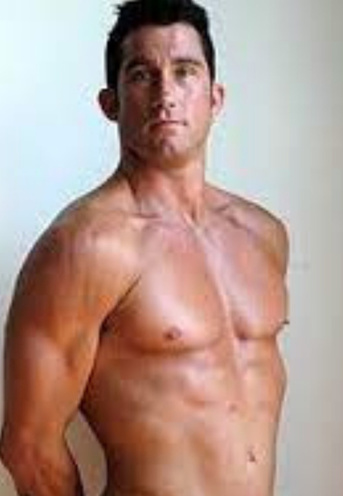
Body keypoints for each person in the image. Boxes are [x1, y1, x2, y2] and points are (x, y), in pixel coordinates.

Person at [0, 0, 289, 495]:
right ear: (109, 103)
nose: (165, 95)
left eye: (184, 71)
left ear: (215, 97)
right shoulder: (84, 247)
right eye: (141, 75)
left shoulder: (263, 235)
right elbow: (28, 446)